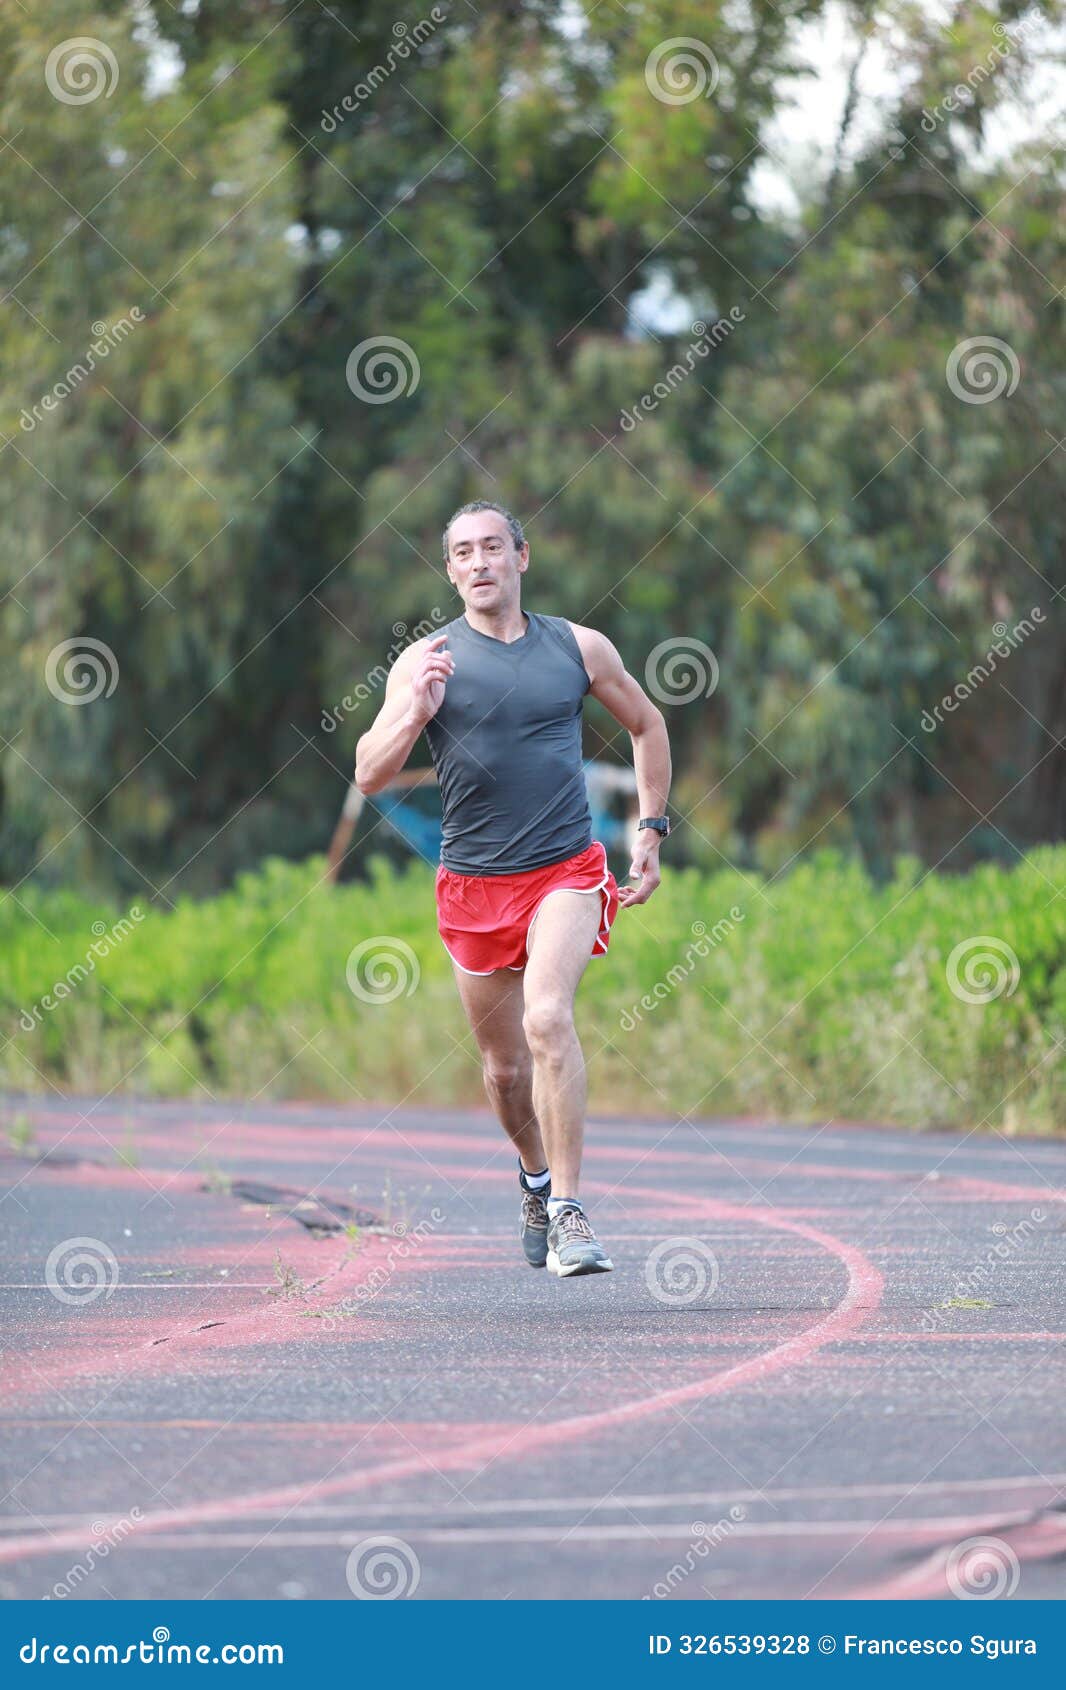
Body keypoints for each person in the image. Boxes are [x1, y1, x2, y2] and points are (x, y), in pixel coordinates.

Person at [355, 500, 671, 1277]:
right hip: (473, 884)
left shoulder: (578, 647)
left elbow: (648, 725)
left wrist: (652, 830)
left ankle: (568, 1210)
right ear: (451, 570)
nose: (479, 562)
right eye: (463, 552)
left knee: (548, 1016)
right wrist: (415, 712)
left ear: (521, 558)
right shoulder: (427, 659)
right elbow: (369, 773)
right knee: (503, 1071)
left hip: (566, 867)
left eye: (492, 547)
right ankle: (533, 1177)